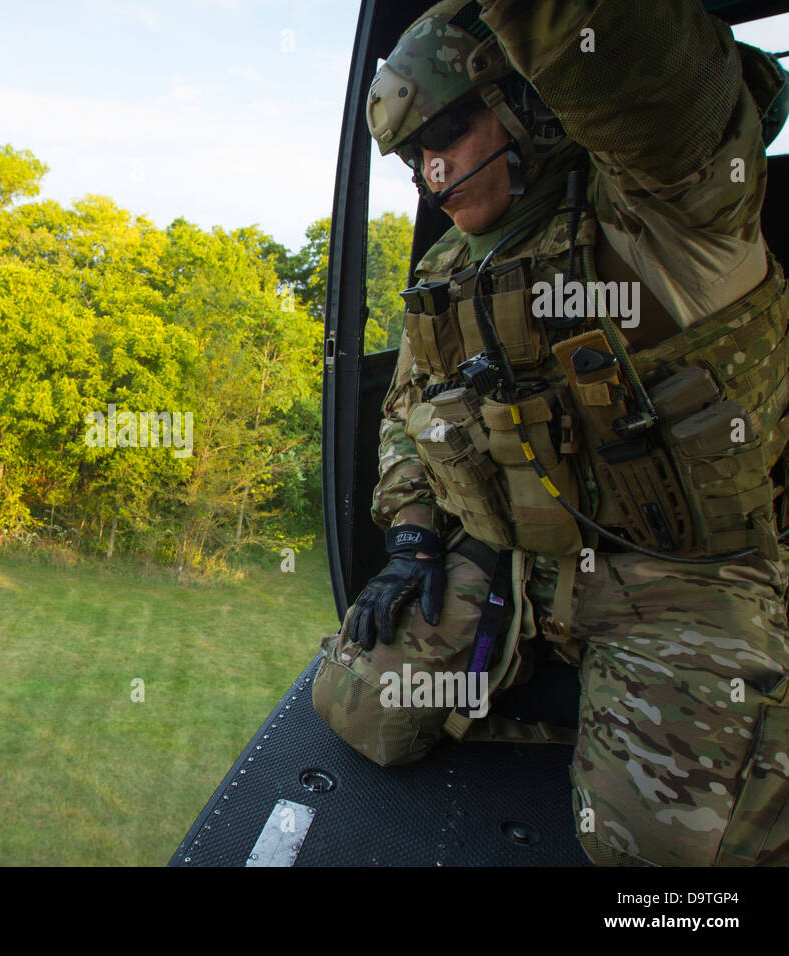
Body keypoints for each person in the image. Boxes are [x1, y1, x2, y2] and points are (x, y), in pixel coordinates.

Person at [312, 0, 789, 866]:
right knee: (359, 707)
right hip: (512, 558)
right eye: (416, 154)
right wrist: (416, 539)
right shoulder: (449, 271)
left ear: (530, 102)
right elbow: (406, 414)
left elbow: (648, 79)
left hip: (682, 569)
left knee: (659, 855)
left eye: (450, 130)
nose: (432, 169)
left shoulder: (667, 212)